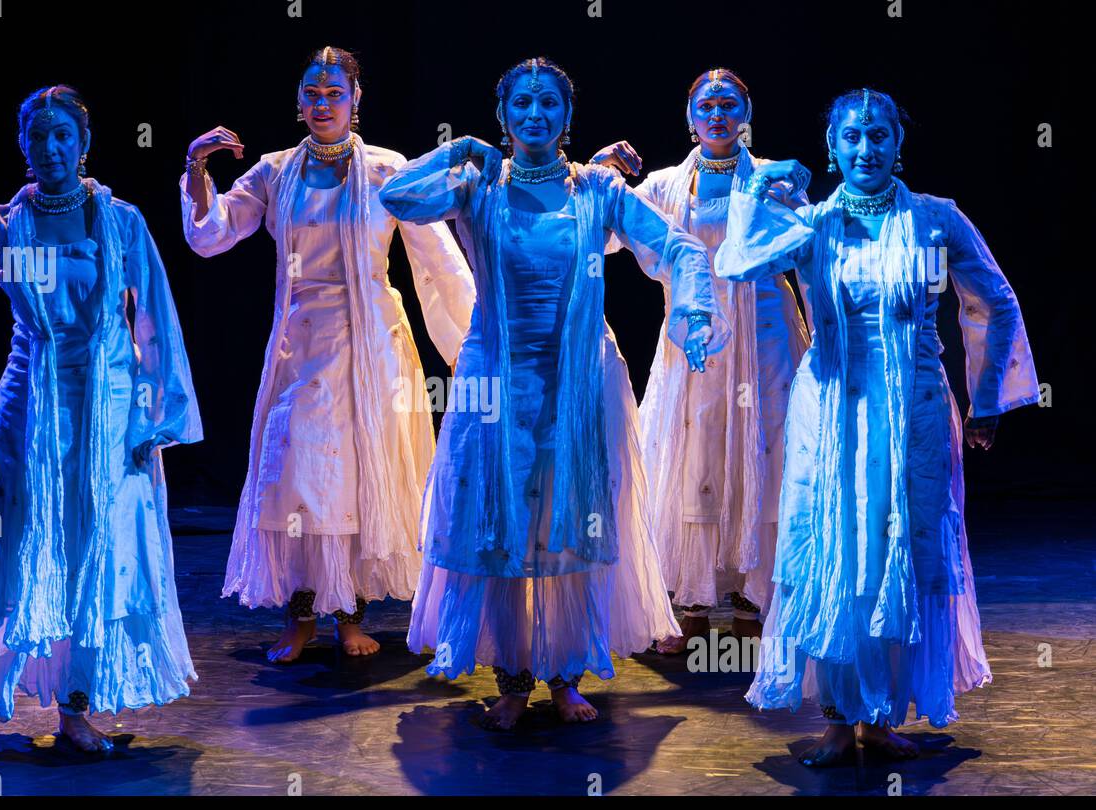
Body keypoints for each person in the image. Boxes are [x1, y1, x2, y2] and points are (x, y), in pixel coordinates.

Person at [381, 58, 721, 730]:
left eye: (549, 104)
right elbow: (396, 199)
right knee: (505, 526)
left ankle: (565, 676)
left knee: (574, 524)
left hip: (579, 383)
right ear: (503, 115)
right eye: (522, 103)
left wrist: (696, 314)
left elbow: (678, 247)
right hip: (497, 380)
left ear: (568, 117)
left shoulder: (597, 189)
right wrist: (456, 149)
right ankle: (512, 678)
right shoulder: (477, 184)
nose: (535, 114)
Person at [715, 88, 1039, 765]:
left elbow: (997, 301)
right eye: (852, 138)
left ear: (899, 144)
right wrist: (762, 184)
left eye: (880, 136)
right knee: (838, 554)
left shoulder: (934, 220)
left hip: (914, 412)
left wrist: (986, 399)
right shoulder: (810, 222)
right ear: (831, 149)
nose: (866, 149)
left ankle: (882, 716)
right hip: (831, 411)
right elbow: (735, 263)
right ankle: (838, 719)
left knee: (900, 557)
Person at [0, 85, 202, 772]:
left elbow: (154, 319)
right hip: (27, 407)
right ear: (24, 147)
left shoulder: (119, 221)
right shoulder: (5, 225)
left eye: (63, 134)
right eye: (39, 137)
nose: (52, 148)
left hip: (107, 409)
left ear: (84, 143)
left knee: (98, 551)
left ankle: (76, 710)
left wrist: (156, 416)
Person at [181, 47, 475, 662]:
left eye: (334, 93)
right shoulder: (274, 172)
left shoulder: (388, 170)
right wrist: (196, 170)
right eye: (311, 93)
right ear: (298, 102)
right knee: (298, 478)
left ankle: (349, 612)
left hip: (372, 343)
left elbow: (437, 263)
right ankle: (300, 613)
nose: (322, 104)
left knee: (358, 477)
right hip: (301, 345)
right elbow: (210, 236)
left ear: (356, 99)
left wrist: (475, 342)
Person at [592, 69, 810, 650]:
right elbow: (602, 230)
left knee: (762, 455)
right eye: (706, 105)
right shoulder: (665, 186)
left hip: (764, 343)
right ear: (689, 119)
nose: (717, 114)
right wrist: (600, 170)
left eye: (728, 104)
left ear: (746, 115)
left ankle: (752, 601)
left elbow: (810, 251)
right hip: (691, 347)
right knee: (694, 459)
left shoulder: (771, 179)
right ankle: (689, 600)